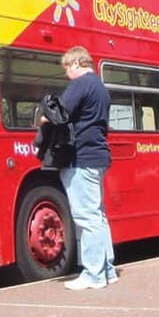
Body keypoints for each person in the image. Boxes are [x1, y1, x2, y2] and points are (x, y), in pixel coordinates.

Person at [58, 46, 117, 290]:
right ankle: (107, 269)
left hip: (81, 157)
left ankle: (93, 274)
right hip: (98, 156)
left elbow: (58, 113)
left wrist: (41, 119)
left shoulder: (81, 84)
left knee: (87, 217)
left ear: (76, 63)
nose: (66, 74)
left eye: (66, 68)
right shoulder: (100, 87)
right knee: (98, 216)